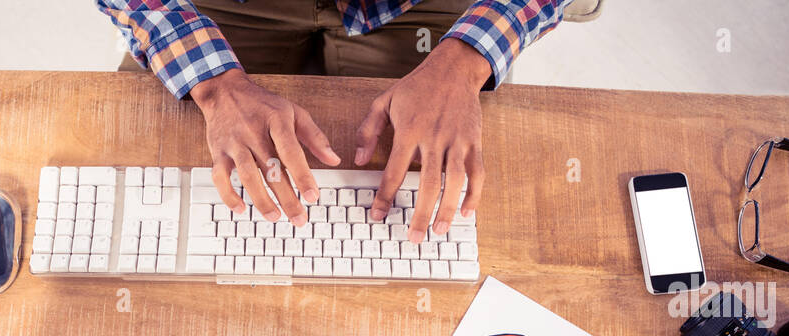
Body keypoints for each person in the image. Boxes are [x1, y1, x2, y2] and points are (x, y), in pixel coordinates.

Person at [97, 1, 570, 244]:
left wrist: (466, 60)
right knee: (140, 167)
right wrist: (213, 84)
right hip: (219, 10)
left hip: (416, 9)